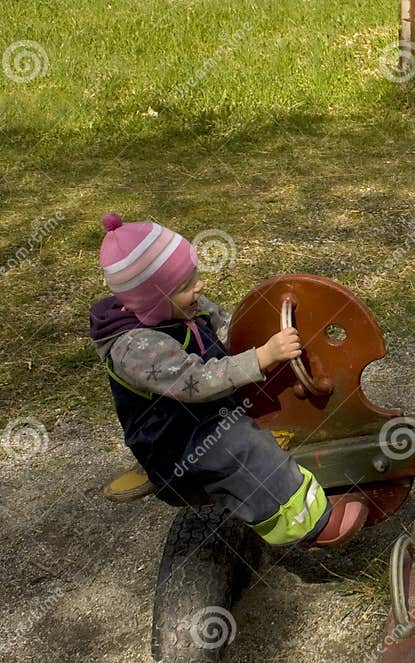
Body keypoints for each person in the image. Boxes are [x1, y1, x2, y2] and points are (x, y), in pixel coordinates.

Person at [90, 212, 368, 545]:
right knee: (241, 448)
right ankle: (308, 522)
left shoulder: (182, 308)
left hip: (209, 413)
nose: (199, 285)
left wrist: (258, 340)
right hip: (177, 442)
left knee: (261, 416)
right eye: (185, 285)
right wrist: (261, 357)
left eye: (194, 275)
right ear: (151, 300)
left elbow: (227, 328)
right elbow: (195, 381)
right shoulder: (135, 348)